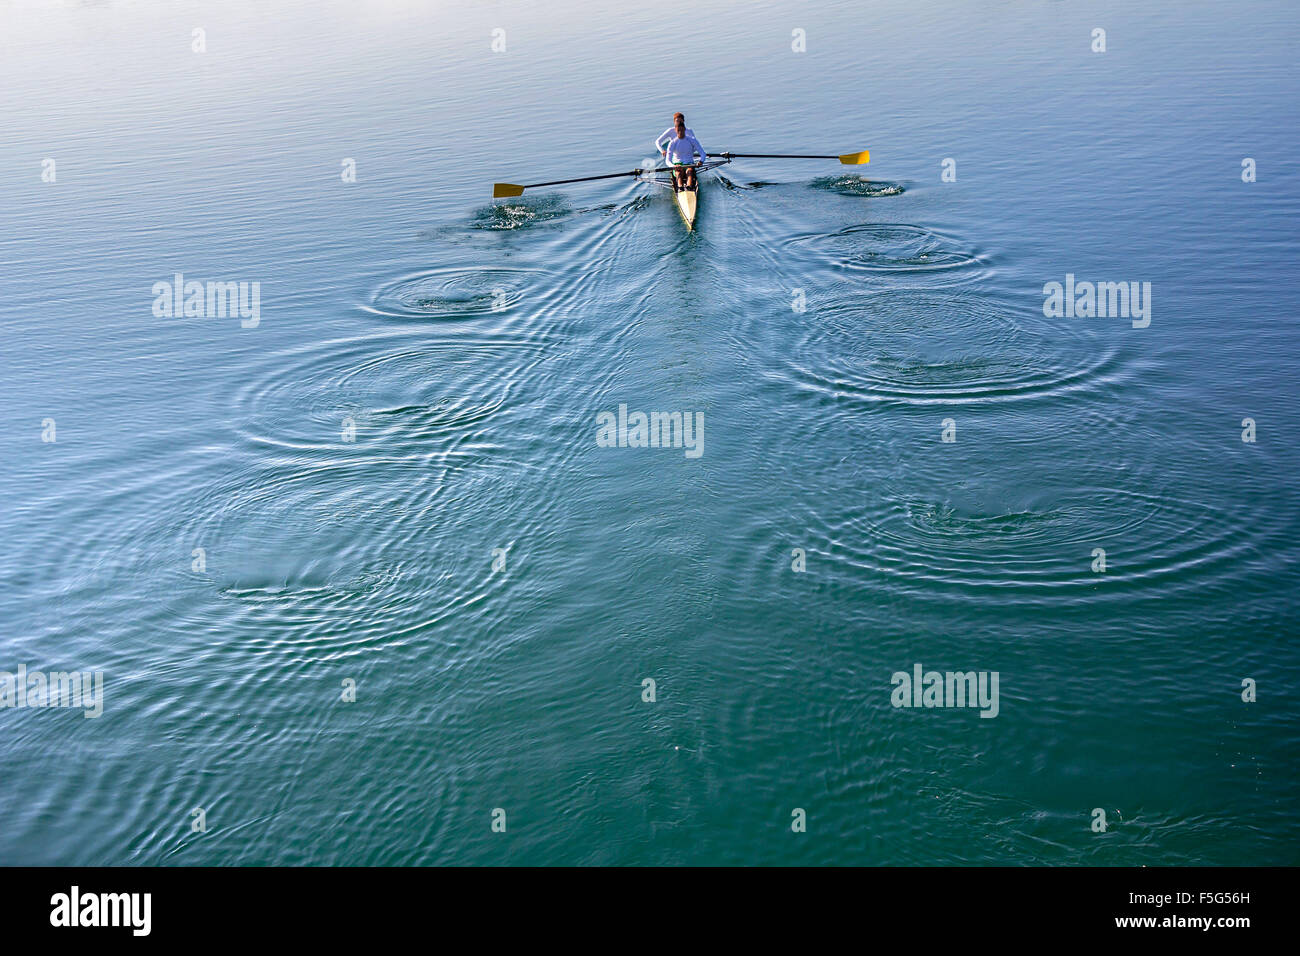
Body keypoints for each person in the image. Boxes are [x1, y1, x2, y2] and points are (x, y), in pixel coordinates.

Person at [655, 113, 706, 190]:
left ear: (684, 129)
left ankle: (689, 187)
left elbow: (702, 153)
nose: (680, 132)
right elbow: (668, 161)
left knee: (690, 171)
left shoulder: (691, 139)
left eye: (682, 130)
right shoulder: (672, 143)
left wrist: (701, 161)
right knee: (678, 172)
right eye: (678, 130)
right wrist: (673, 166)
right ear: (676, 130)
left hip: (689, 164)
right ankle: (680, 188)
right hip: (677, 163)